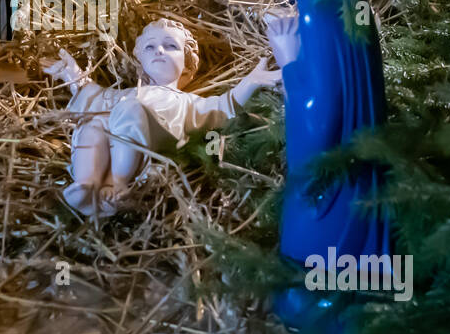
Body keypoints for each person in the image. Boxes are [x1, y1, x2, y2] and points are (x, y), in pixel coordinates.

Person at [264, 0, 395, 334]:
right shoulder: (350, 4)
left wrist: (286, 61)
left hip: (330, 170)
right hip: (360, 158)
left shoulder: (318, 14)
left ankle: (324, 304)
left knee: (312, 238)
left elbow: (319, 109)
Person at [45, 18, 283, 217]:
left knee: (132, 109)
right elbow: (95, 98)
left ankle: (117, 184)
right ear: (141, 59)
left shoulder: (187, 101)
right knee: (94, 124)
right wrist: (74, 76)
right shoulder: (128, 93)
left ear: (187, 63)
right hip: (116, 135)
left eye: (171, 46)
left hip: (160, 142)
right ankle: (86, 185)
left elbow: (222, 107)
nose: (159, 50)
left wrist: (250, 82)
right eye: (150, 47)